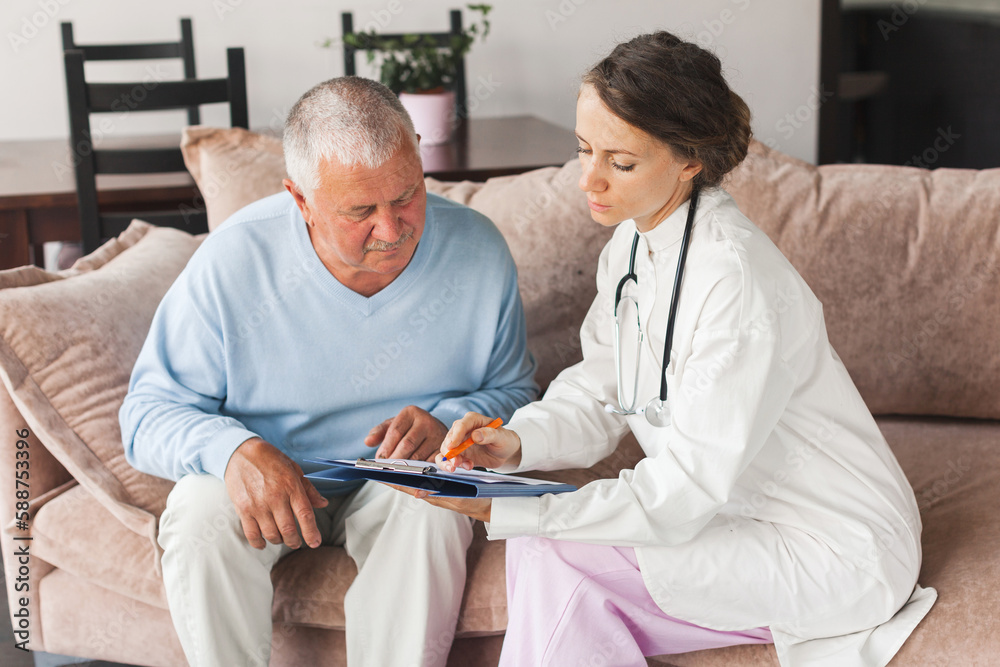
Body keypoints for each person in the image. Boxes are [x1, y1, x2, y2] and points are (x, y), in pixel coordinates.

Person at [397, 32, 937, 666]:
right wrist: (515, 442)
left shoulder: (736, 280)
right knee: (547, 553)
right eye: (584, 149)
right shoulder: (630, 247)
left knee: (550, 544)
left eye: (621, 162)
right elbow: (601, 390)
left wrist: (513, 507)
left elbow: (685, 486)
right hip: (735, 515)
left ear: (690, 161)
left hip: (835, 547)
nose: (589, 179)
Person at [119, 76, 538, 667]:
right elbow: (145, 416)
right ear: (301, 200)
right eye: (360, 211)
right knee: (196, 513)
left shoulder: (479, 248)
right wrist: (233, 450)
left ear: (419, 156)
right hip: (276, 484)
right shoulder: (233, 260)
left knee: (438, 500)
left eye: (406, 195)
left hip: (396, 485)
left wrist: (449, 422)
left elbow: (517, 391)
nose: (392, 230)